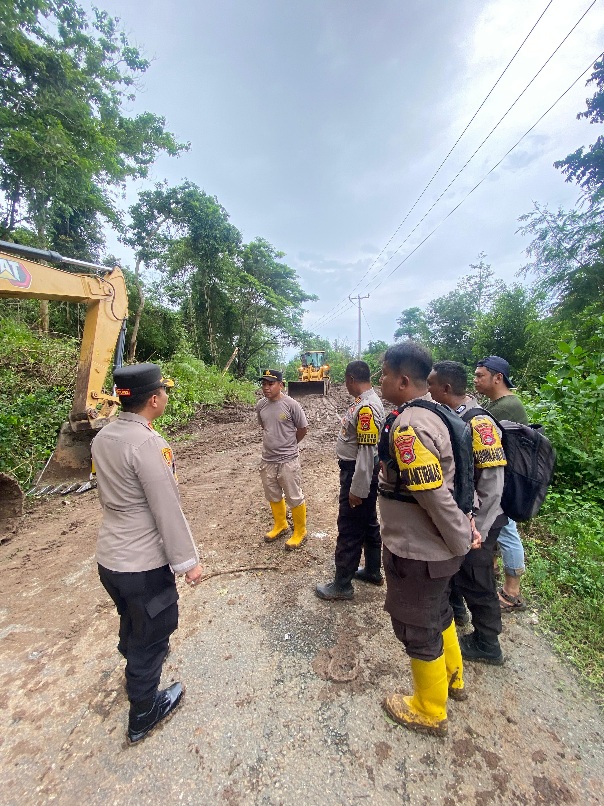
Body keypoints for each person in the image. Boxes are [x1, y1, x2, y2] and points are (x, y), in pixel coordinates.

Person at [91, 363, 203, 744]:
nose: (167, 397)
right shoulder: (148, 444)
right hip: (142, 563)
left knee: (134, 619)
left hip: (111, 559)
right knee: (153, 633)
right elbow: (166, 508)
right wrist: (188, 562)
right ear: (154, 399)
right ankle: (143, 711)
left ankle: (137, 670)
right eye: (165, 392)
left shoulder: (104, 435)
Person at [378, 342, 480, 737]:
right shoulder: (438, 413)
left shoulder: (409, 427)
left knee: (416, 626)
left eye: (385, 374)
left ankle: (429, 708)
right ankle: (454, 677)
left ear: (403, 380)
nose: (381, 380)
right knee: (440, 615)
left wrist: (460, 538)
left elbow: (432, 495)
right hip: (437, 548)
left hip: (420, 550)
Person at [428, 361, 507, 665]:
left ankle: (488, 642)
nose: (428, 389)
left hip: (484, 518)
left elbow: (492, 482)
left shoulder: (478, 423)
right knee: (458, 569)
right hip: (466, 516)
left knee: (478, 576)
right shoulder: (451, 416)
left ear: (446, 389)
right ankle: (456, 611)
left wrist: (480, 531)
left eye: (431, 384)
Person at [315, 360, 385, 601]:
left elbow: (366, 453)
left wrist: (357, 489)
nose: (345, 385)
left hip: (357, 472)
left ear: (351, 379)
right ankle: (373, 571)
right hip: (359, 471)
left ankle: (342, 584)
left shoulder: (366, 407)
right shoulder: (365, 402)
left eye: (346, 381)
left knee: (349, 526)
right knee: (367, 522)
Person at [474, 356, 528, 612]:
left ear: (498, 378)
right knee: (501, 528)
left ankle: (512, 591)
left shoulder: (503, 408)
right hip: (502, 476)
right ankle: (493, 570)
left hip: (505, 480)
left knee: (507, 530)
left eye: (480, 375)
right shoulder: (499, 404)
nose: (476, 380)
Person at [257, 369, 309, 549]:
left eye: (270, 384)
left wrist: (289, 445)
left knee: (294, 496)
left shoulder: (292, 405)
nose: (266, 387)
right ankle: (281, 524)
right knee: (273, 494)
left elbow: (302, 428)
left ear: (281, 384)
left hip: (288, 460)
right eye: (264, 384)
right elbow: (265, 426)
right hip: (268, 459)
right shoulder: (261, 406)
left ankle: (300, 530)